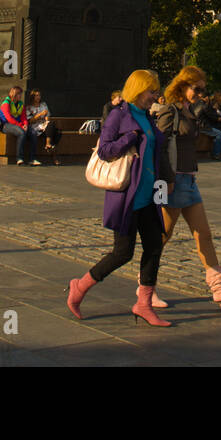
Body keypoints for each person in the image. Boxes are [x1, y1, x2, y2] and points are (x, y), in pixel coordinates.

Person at [66, 70, 176, 326]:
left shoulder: (148, 117)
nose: (155, 95)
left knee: (154, 246)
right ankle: (79, 287)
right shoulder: (119, 115)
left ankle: (143, 304)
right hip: (127, 196)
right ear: (138, 90)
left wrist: (168, 180)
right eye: (152, 91)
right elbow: (104, 150)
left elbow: (158, 152)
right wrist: (130, 138)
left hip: (150, 194)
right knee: (122, 253)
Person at [155, 67, 221, 305]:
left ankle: (220, 288)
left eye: (202, 89)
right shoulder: (170, 111)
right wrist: (166, 181)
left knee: (204, 235)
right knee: (162, 236)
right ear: (182, 87)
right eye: (195, 89)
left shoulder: (192, 111)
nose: (200, 93)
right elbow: (158, 146)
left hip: (189, 180)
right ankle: (145, 287)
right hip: (172, 181)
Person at [0, 86, 40, 165]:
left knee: (33, 133)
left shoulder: (21, 104)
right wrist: (21, 125)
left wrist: (25, 125)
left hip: (19, 124)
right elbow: (8, 118)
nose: (20, 96)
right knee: (21, 132)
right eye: (19, 94)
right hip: (6, 125)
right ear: (14, 94)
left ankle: (33, 158)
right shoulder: (6, 104)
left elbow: (23, 117)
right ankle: (19, 158)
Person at [26, 89, 62, 165]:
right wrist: (40, 115)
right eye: (36, 95)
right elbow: (30, 121)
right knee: (54, 133)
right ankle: (54, 156)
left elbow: (47, 117)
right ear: (32, 97)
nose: (38, 97)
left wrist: (46, 118)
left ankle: (48, 144)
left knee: (56, 130)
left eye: (39, 95)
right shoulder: (29, 107)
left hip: (44, 126)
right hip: (35, 127)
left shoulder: (43, 104)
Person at [198, 91, 221, 162]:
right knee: (219, 133)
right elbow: (211, 115)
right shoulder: (205, 104)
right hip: (203, 126)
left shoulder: (201, 103)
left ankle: (215, 153)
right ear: (206, 98)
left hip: (203, 125)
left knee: (218, 132)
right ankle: (216, 155)